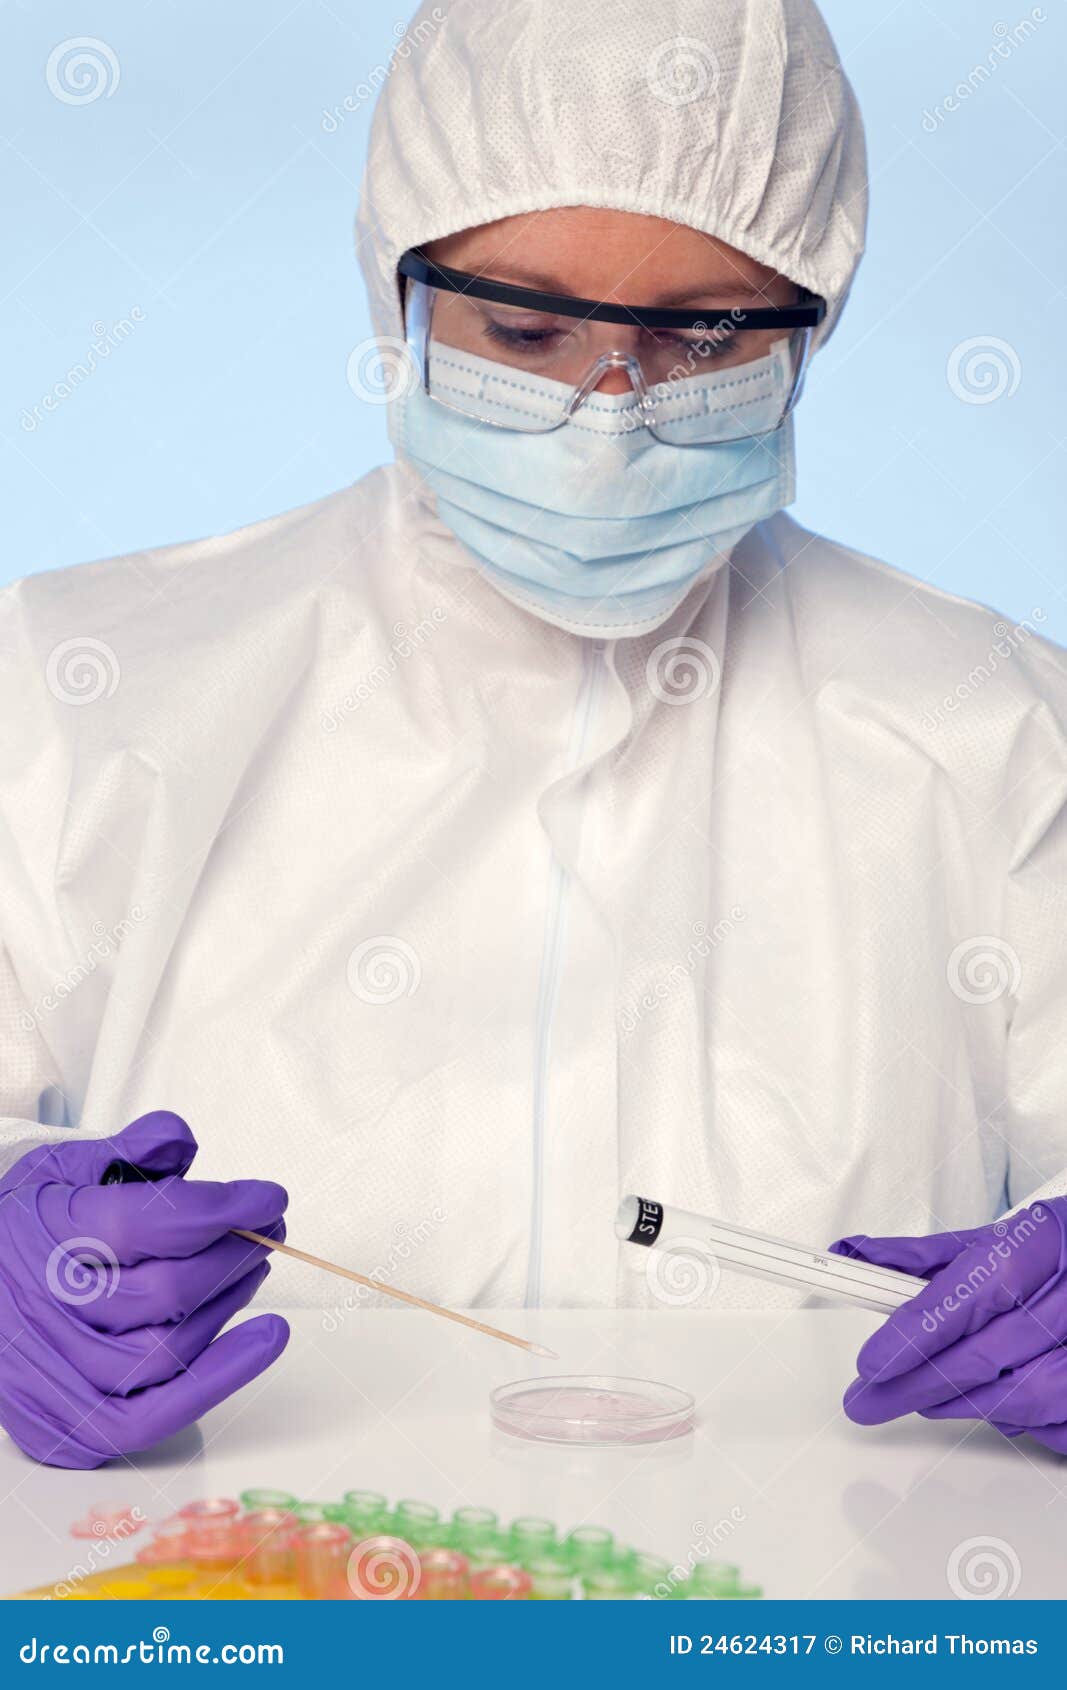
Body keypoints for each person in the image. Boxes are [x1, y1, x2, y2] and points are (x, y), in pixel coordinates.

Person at [1, 0, 1065, 1469]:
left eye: (703, 335)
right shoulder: (77, 688)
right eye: (523, 327)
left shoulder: (999, 731)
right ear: (399, 290)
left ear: (813, 325)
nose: (608, 418)